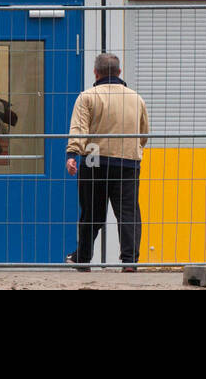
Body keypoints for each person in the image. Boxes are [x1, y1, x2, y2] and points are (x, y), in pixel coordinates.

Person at [65, 53, 149, 272]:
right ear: (119, 72)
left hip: (94, 162)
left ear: (96, 72)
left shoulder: (87, 97)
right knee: (128, 213)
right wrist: (134, 150)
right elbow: (144, 133)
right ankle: (129, 261)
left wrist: (72, 154)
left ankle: (82, 259)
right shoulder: (136, 98)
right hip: (127, 163)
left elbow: (79, 128)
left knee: (91, 213)